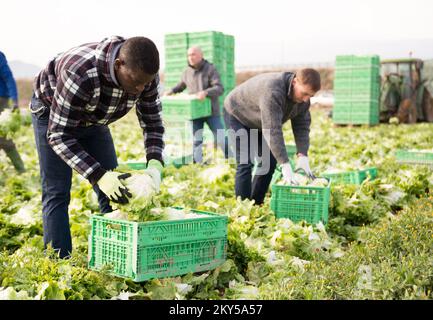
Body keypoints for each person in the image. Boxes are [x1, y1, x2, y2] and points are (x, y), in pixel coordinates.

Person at [30, 36, 165, 258]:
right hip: (52, 115)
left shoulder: (144, 75)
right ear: (118, 64)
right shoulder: (80, 72)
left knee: (116, 191)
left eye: (145, 83)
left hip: (95, 119)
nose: (140, 88)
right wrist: (97, 175)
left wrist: (155, 161)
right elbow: (58, 135)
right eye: (135, 81)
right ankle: (59, 261)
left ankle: (119, 255)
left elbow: (153, 122)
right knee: (57, 191)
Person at [224, 68, 321, 205]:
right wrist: (285, 163)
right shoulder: (273, 91)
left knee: (268, 162)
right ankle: (243, 209)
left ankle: (256, 204)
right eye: (304, 93)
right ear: (294, 82)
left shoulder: (303, 101)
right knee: (245, 163)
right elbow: (272, 130)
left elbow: (302, 126)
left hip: (259, 119)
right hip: (238, 113)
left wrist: (302, 155)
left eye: (310, 96)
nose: (306, 99)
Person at [165, 46, 231, 163]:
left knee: (221, 138)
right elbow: (181, 85)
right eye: (189, 55)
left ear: (201, 55)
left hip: (211, 112)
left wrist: (206, 92)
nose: (190, 57)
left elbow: (219, 88)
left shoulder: (210, 69)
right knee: (196, 141)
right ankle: (198, 164)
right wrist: (171, 91)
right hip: (195, 113)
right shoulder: (187, 72)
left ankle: (231, 160)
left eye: (193, 54)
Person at [0, 50, 26, 173]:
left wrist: (14, 101)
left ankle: (21, 170)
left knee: (3, 137)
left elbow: (8, 77)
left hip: (1, 100)